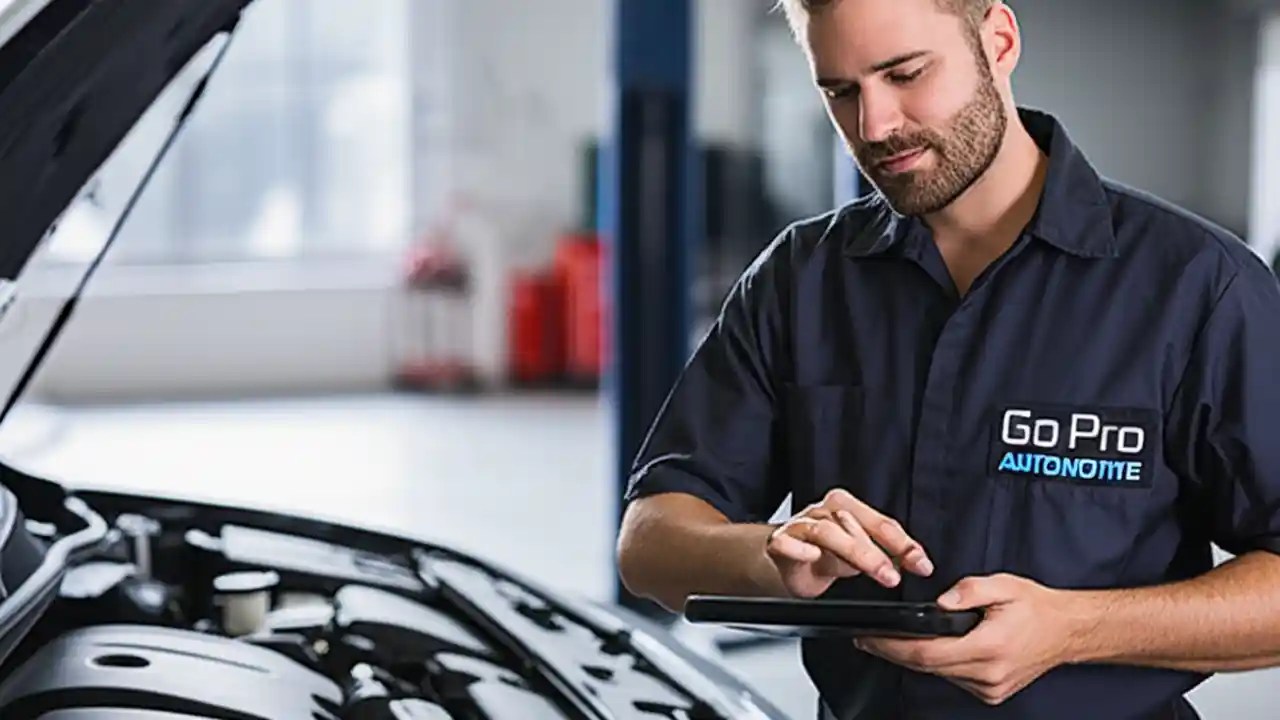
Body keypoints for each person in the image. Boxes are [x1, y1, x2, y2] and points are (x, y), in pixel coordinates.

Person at [615, 1, 1280, 718]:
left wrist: (1075, 632)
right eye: (840, 90)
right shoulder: (801, 280)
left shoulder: (1196, 287)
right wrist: (773, 556)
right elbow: (650, 540)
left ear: (998, 40)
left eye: (904, 74)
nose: (874, 125)